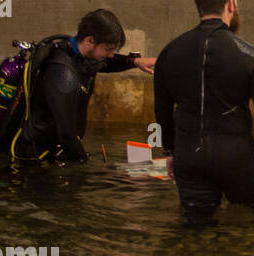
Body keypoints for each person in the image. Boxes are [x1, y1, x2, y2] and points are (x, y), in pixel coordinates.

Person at [153, 0, 254, 222]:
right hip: (236, 157)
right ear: (231, 4)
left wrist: (170, 152)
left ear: (199, 5)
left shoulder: (169, 53)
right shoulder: (250, 56)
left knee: (195, 226)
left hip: (189, 156)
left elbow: (162, 111)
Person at [10, 10, 155, 162]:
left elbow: (106, 62)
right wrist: (84, 166)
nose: (111, 55)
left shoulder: (77, 53)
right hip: (34, 159)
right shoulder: (62, 74)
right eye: (108, 49)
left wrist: (135, 62)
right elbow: (66, 134)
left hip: (55, 151)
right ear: (90, 41)